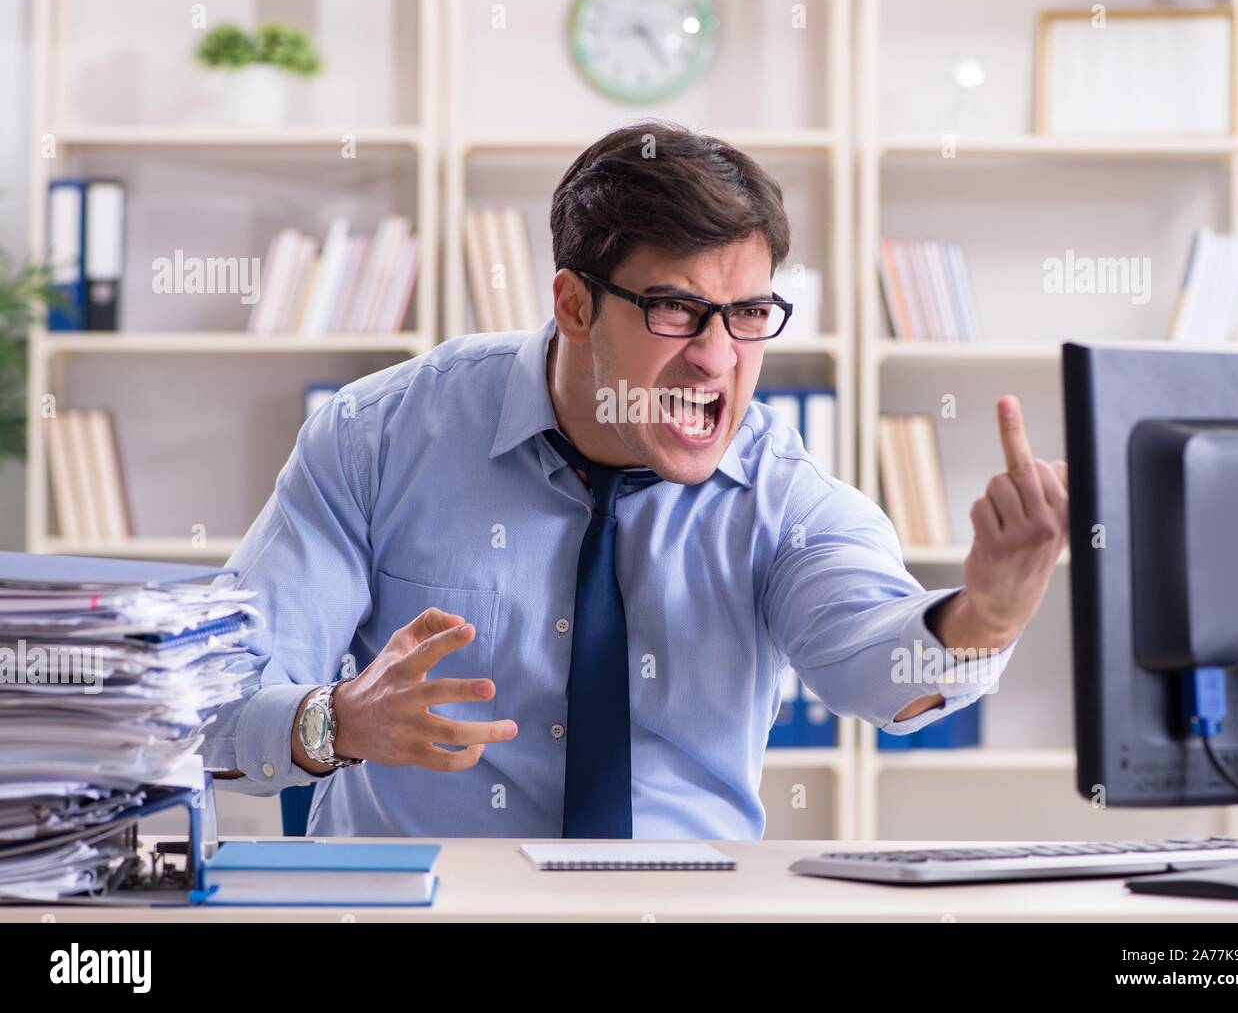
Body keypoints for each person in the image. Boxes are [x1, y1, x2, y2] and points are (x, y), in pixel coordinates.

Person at [204, 120, 1068, 839]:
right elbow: (213, 709)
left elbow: (872, 664)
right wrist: (336, 722)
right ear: (574, 306)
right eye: (677, 310)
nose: (717, 359)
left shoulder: (779, 492)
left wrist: (984, 618)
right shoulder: (380, 437)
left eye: (750, 316)